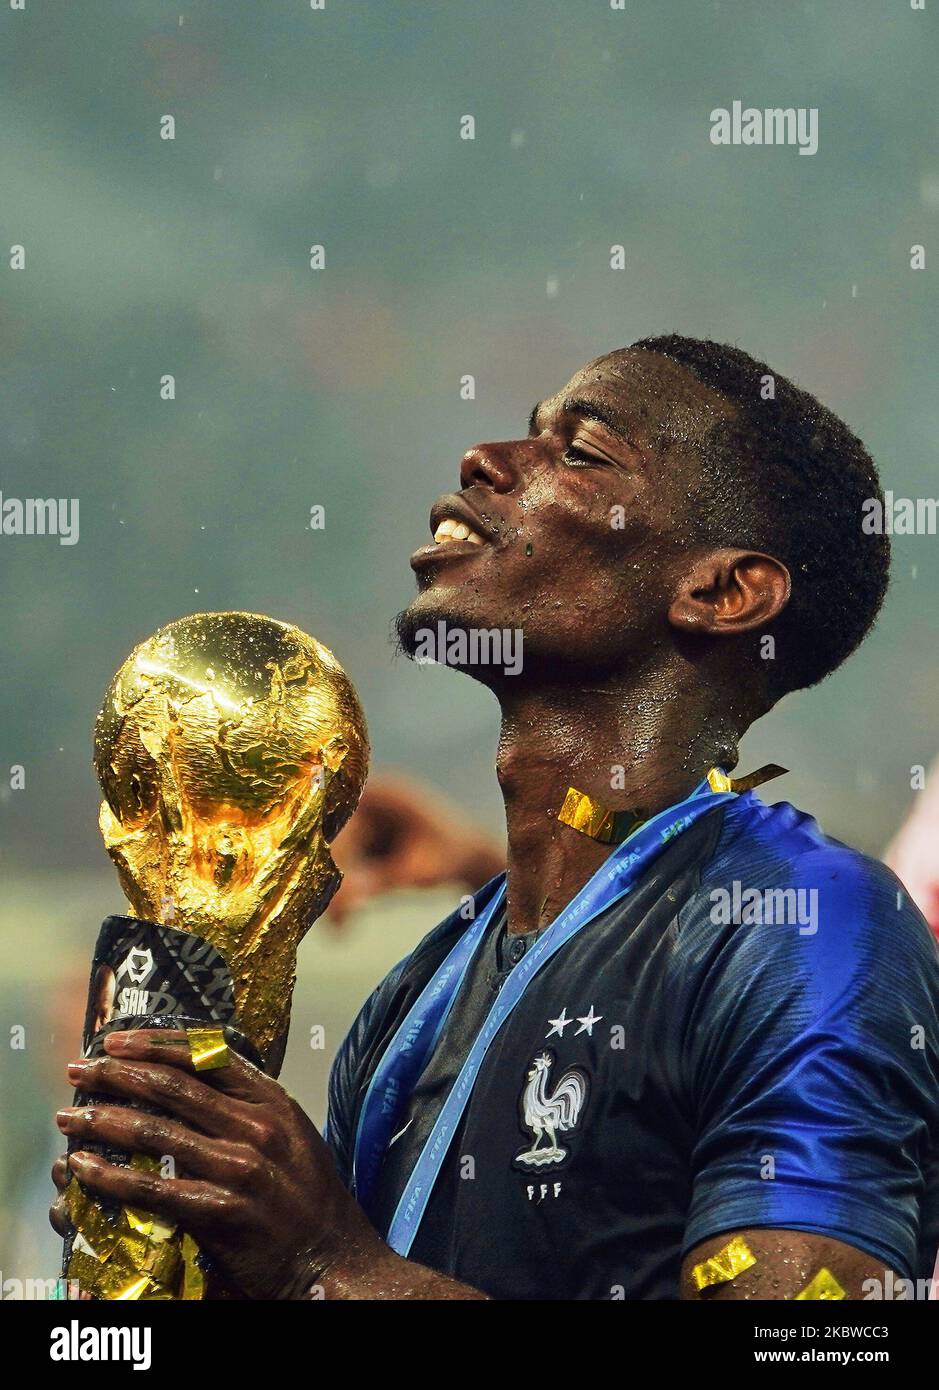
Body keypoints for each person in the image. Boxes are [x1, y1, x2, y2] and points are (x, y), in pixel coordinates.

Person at [50, 336, 939, 1300]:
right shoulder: (423, 987)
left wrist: (325, 1262)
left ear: (721, 592)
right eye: (526, 434)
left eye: (581, 451)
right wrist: (197, 1251)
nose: (485, 460)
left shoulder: (808, 923)